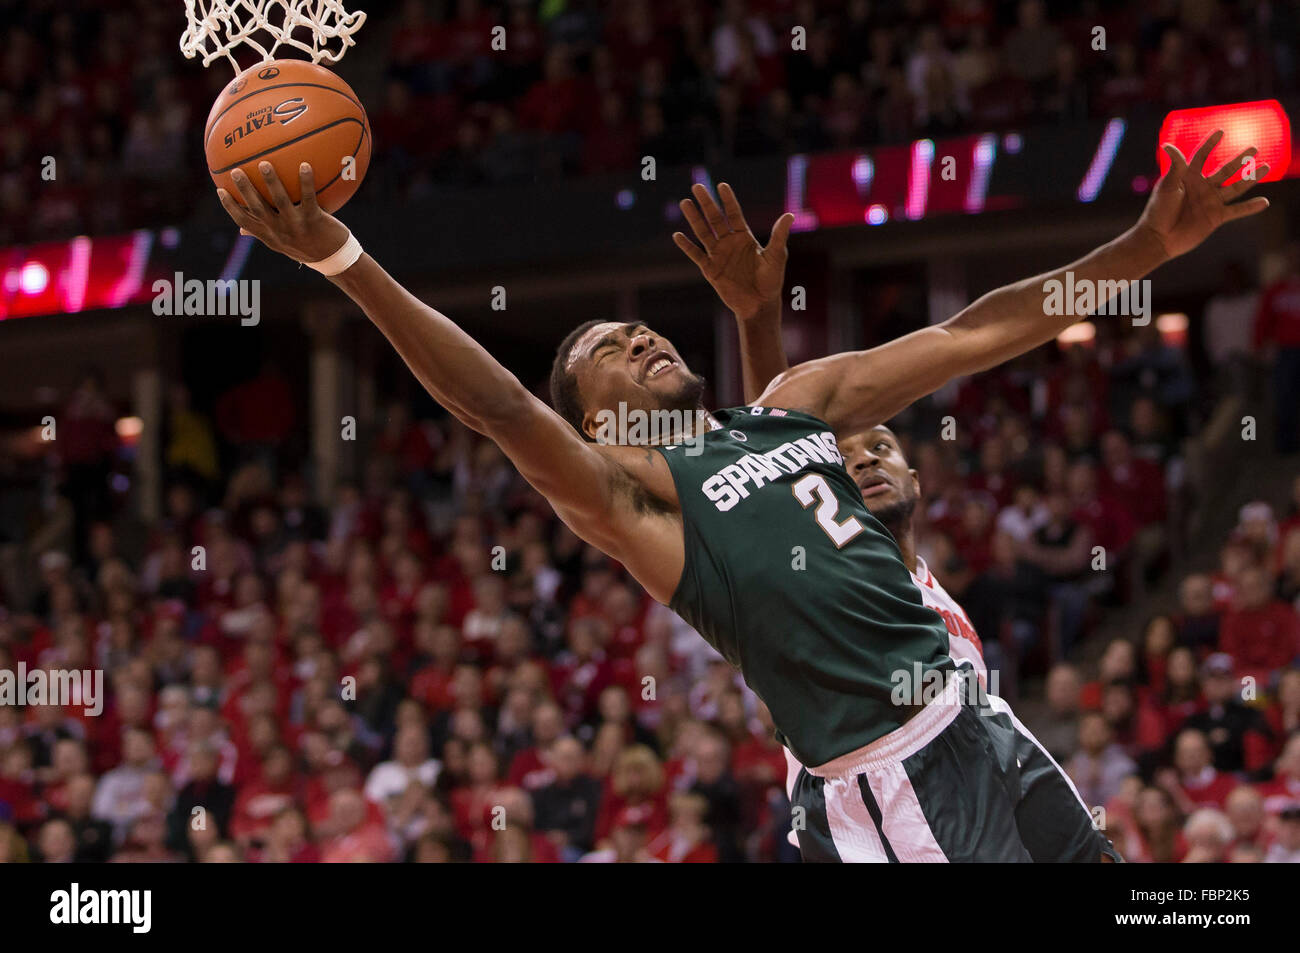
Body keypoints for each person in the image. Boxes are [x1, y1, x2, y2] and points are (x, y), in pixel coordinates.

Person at [218, 129, 1267, 863]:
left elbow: (972, 332)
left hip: (974, 714)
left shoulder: (792, 405)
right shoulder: (640, 501)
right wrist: (346, 260)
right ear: (596, 423)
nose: (636, 336)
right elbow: (493, 403)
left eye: (636, 327)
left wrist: (1142, 250)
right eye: (603, 353)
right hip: (891, 773)